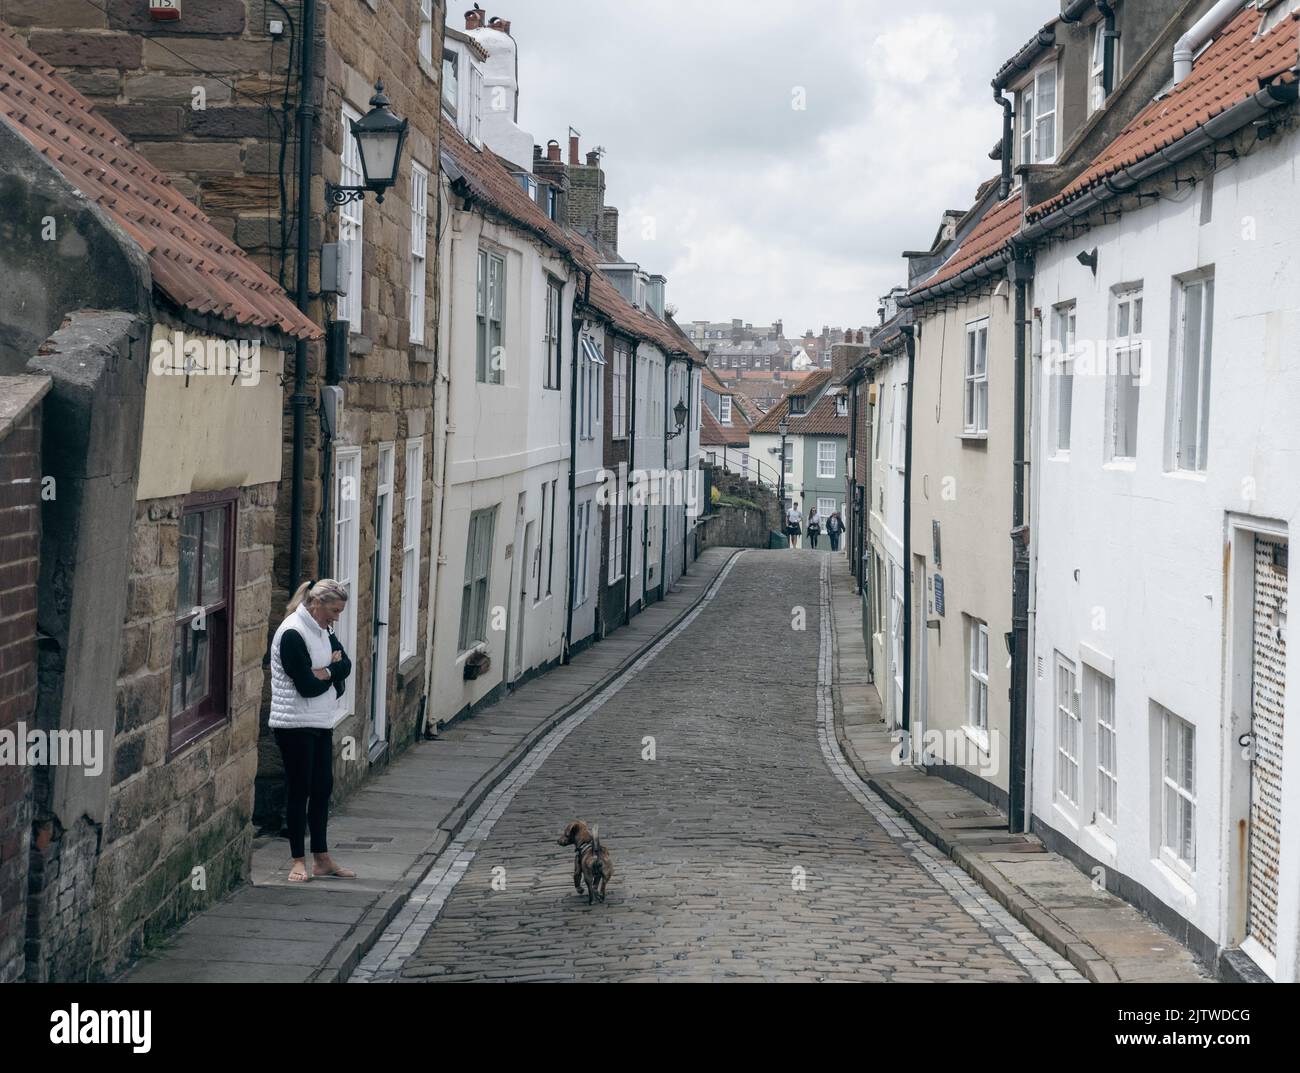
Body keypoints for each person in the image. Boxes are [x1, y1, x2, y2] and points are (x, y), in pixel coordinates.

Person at [269, 578, 355, 882]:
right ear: (316, 604)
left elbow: (346, 664)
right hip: (294, 724)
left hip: (320, 721)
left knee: (322, 789)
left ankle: (322, 858)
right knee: (300, 790)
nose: (336, 618)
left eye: (340, 612)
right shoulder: (293, 633)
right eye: (334, 610)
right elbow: (305, 687)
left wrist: (326, 671)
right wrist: (327, 671)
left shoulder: (323, 628)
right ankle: (297, 861)